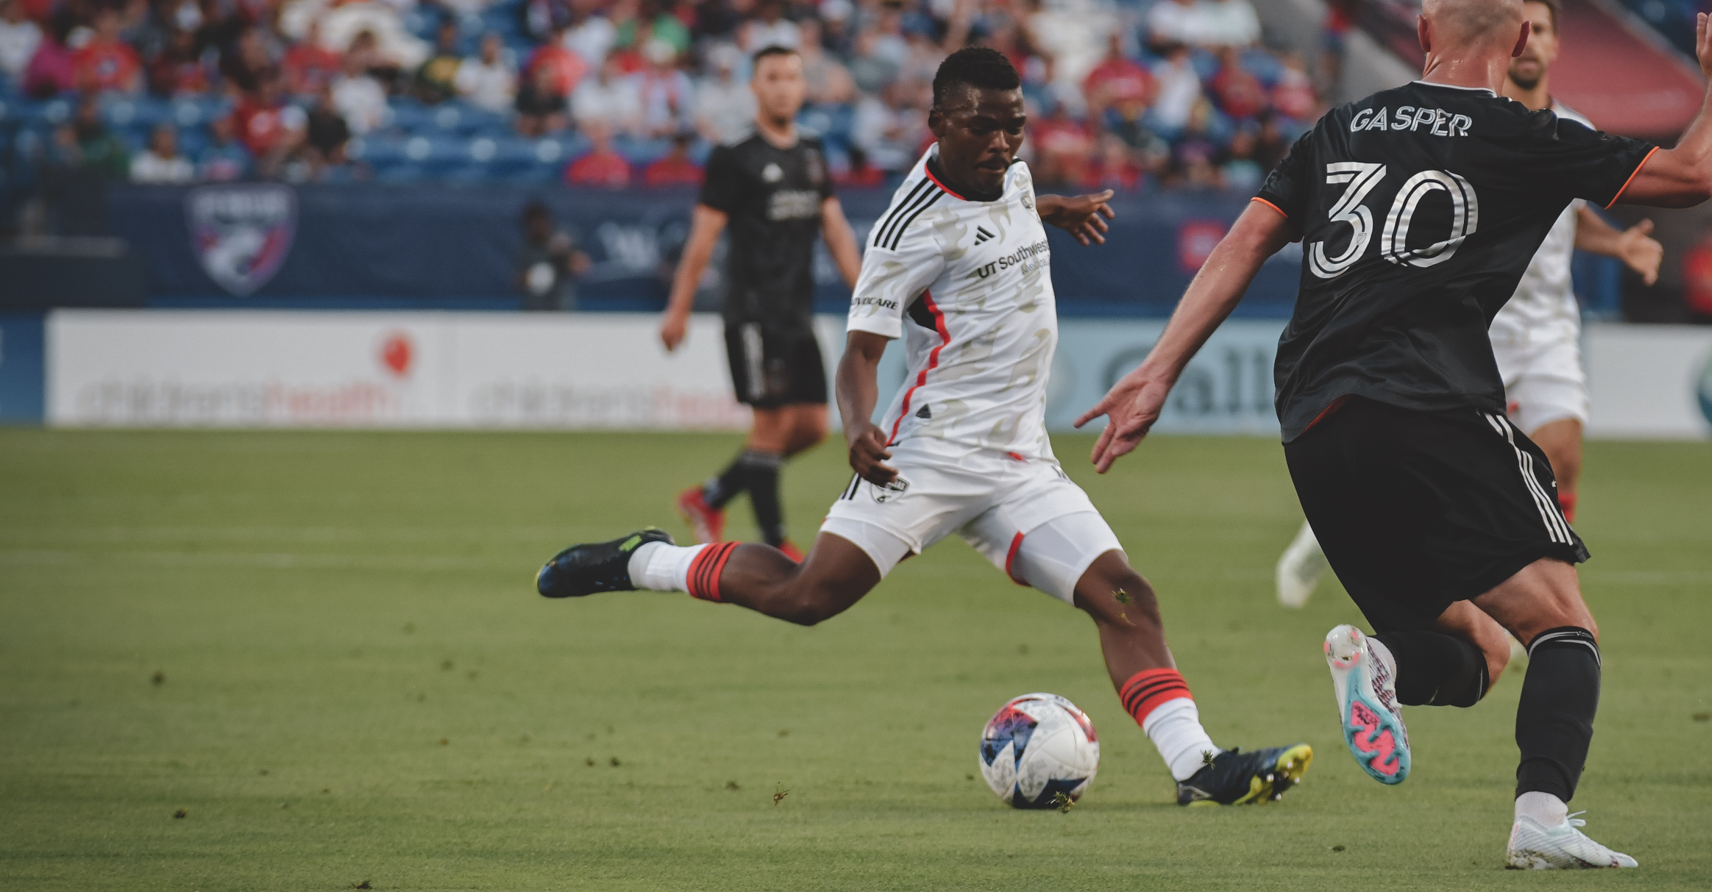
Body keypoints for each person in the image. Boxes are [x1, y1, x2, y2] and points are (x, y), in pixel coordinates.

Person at [1079, 0, 1712, 865]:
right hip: (1428, 406)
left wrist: (1159, 370)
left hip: (1313, 423)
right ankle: (1541, 819)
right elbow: (1697, 173)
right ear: (1520, 39)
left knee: (1480, 651)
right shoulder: (1522, 134)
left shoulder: (1342, 127)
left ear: (1424, 33)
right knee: (1564, 625)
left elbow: (1247, 238)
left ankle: (1385, 665)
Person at [539, 47, 1313, 808]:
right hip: (927, 453)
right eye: (983, 127)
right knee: (810, 596)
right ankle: (649, 560)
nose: (1003, 143)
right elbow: (859, 352)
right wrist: (855, 424)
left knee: (1125, 596)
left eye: (1015, 126)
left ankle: (1198, 763)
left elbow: (999, 222)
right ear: (938, 122)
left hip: (1019, 462)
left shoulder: (1008, 174)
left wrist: (1054, 209)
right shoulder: (904, 228)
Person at [1274, 0, 1665, 607]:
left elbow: (1566, 212)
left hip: (1546, 329)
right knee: (1423, 477)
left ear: (1554, 43)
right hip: (1465, 327)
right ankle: (1339, 536)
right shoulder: (1472, 122)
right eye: (1522, 27)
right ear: (1506, 39)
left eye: (1542, 29)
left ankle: (1546, 591)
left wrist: (1616, 245)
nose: (1530, 43)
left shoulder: (1573, 129)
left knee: (1561, 452)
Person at [659, 46, 863, 560]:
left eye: (792, 77)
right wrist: (679, 308)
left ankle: (709, 496)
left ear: (803, 87)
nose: (782, 87)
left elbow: (836, 229)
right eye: (772, 77)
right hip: (751, 313)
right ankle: (777, 545)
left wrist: (869, 295)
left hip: (797, 313)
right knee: (770, 425)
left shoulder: (812, 152)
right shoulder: (735, 155)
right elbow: (704, 237)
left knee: (814, 426)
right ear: (754, 85)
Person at [517, 201, 589, 311]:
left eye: (541, 223)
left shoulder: (563, 239)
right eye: (534, 225)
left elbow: (583, 266)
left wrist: (563, 257)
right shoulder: (524, 249)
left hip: (561, 310)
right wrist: (534, 277)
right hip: (534, 311)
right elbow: (517, 282)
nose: (538, 228)